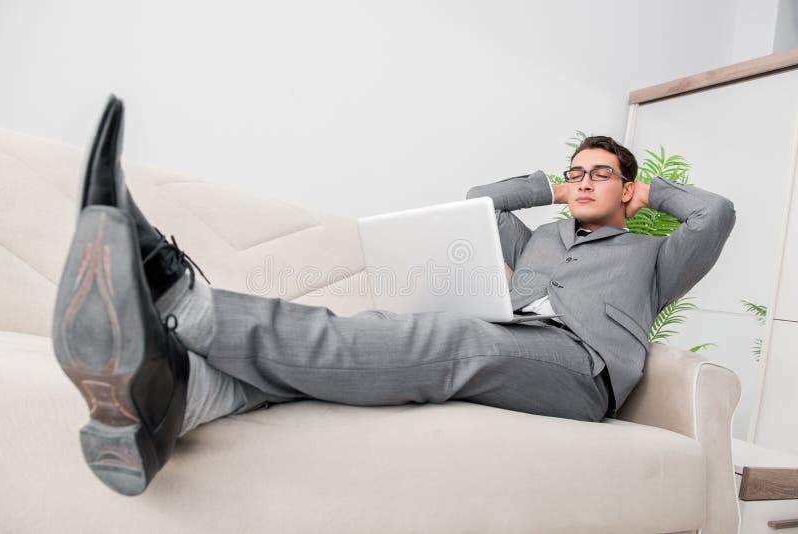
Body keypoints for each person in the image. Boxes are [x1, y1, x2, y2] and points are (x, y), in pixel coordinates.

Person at [52, 96, 736, 496]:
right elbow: (480, 204)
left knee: (453, 342)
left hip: (580, 371)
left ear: (628, 187)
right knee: (385, 341)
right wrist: (552, 188)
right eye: (576, 172)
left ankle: (186, 305)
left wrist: (651, 195)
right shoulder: (540, 243)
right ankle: (183, 395)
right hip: (516, 345)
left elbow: (716, 216)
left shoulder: (654, 258)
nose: (584, 181)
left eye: (601, 175)